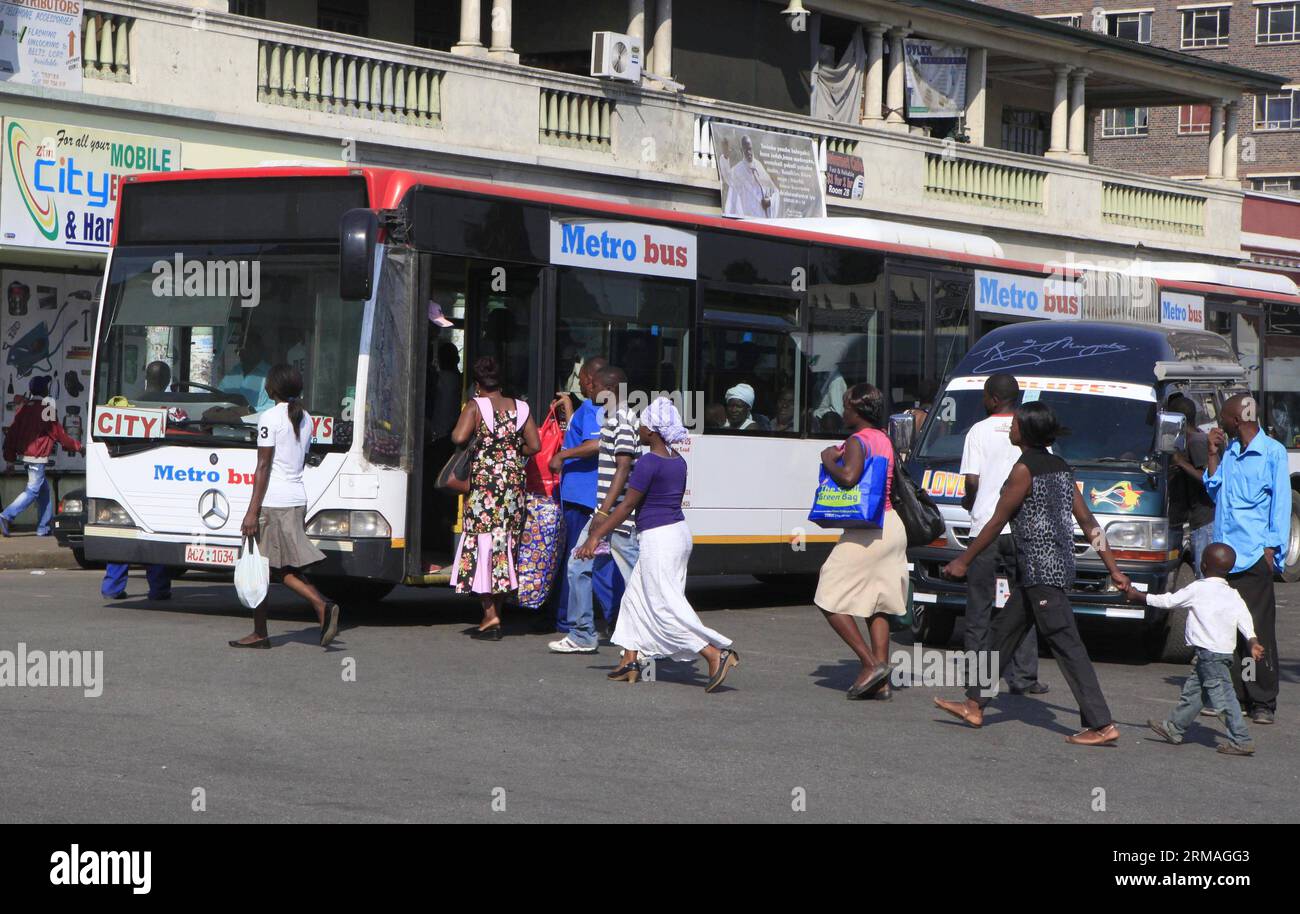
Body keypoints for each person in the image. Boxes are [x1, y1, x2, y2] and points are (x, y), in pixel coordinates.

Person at [935, 402, 1130, 746]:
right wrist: (1112, 568)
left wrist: (964, 559)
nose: (1009, 428)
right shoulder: (1061, 467)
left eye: (1014, 424)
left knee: (1068, 647)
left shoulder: (1023, 470)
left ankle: (1101, 724)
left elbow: (996, 521)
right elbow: (1088, 522)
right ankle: (974, 703)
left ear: (1025, 432)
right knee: (1001, 634)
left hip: (1041, 573)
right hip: (1045, 571)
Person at [575, 397, 739, 692]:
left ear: (653, 430)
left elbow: (627, 507)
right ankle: (630, 660)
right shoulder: (678, 460)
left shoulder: (649, 462)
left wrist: (595, 536)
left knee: (663, 606)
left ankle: (714, 652)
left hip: (659, 539)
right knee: (635, 599)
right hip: (677, 534)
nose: (639, 426)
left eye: (643, 423)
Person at [230, 364, 339, 650]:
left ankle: (319, 604)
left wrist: (252, 511)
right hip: (296, 499)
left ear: (272, 388)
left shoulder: (269, 418)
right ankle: (261, 631)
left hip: (273, 503)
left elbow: (263, 466)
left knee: (267, 567)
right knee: (277, 567)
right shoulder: (306, 418)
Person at [814, 383, 909, 701]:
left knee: (827, 594)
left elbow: (849, 477)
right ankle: (881, 681)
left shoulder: (857, 441)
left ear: (857, 411)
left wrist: (829, 459)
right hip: (891, 525)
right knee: (876, 603)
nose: (843, 413)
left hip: (867, 529)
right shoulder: (883, 438)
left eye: (846, 407)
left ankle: (870, 665)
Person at [1122, 542, 1264, 756]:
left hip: (1209, 655)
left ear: (1204, 566)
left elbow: (1169, 601)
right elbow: (1244, 618)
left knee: (1223, 699)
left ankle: (1241, 739)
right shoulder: (1233, 594)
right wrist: (1252, 640)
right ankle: (1174, 728)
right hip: (1221, 654)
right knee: (1194, 693)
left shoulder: (1198, 588)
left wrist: (1139, 597)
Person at [1204, 393, 1288, 726]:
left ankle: (1262, 700)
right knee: (1228, 630)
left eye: (1223, 418)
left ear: (1237, 419)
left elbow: (1280, 505)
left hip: (1253, 555)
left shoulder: (1272, 454)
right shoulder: (1232, 453)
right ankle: (1236, 695)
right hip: (1224, 557)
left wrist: (1271, 550)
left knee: (1256, 631)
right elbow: (1214, 490)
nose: (1220, 423)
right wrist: (1213, 454)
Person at [959, 374, 1044, 695]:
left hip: (985, 531)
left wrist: (971, 501)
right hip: (1021, 531)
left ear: (993, 398)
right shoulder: (1031, 431)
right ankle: (1024, 677)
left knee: (979, 604)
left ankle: (977, 678)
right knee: (1022, 604)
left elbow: (972, 480)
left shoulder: (978, 431)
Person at [450, 356, 541, 639]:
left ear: (477, 384)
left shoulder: (476, 406)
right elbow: (535, 445)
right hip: (512, 487)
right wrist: (512, 455)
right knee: (503, 545)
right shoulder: (522, 407)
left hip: (485, 487)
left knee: (482, 544)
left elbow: (458, 437)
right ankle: (496, 613)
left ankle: (490, 616)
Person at [545, 356, 617, 647]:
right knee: (597, 563)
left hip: (583, 497)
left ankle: (574, 623)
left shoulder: (593, 407)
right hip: (589, 495)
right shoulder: (600, 408)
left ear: (590, 379)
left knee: (581, 562)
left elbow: (594, 443)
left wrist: (563, 455)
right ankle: (607, 619)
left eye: (585, 379)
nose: (583, 384)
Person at [590, 366, 642, 636]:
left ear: (609, 390)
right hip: (608, 513)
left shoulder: (621, 419)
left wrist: (603, 511)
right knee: (582, 564)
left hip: (616, 517)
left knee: (637, 576)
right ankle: (585, 632)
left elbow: (623, 467)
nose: (590, 390)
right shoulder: (612, 417)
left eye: (594, 386)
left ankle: (650, 632)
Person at [1, 377, 83, 537]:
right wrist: (78, 447)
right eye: (46, 386)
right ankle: (6, 516)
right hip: (37, 457)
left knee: (44, 491)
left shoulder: (24, 409)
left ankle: (43, 527)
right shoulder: (47, 408)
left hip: (27, 456)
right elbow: (59, 434)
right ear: (44, 390)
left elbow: (11, 435)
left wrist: (10, 460)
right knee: (32, 491)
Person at [1166, 394, 1215, 578]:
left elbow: (1209, 479)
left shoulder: (1197, 441)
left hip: (1204, 521)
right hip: (1188, 519)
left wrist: (1181, 463)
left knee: (1205, 577)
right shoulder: (1186, 441)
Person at [218, 329, 273, 413]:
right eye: (239, 350)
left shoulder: (272, 375)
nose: (243, 352)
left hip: (256, 424)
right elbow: (218, 398)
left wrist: (248, 411)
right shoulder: (232, 374)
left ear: (260, 349)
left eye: (249, 347)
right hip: (226, 423)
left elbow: (276, 407)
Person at [724, 135, 778, 217]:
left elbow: (774, 192)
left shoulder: (758, 166)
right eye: (746, 150)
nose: (749, 152)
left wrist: (770, 201)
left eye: (750, 149)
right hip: (746, 220)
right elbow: (732, 201)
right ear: (742, 150)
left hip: (762, 218)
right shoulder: (736, 171)